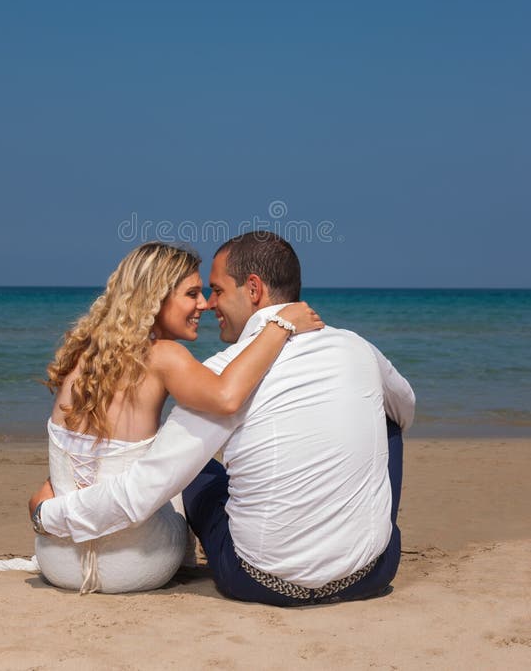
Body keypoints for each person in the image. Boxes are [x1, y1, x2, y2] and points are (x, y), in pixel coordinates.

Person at [32, 232, 415, 606]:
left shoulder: (201, 368)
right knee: (388, 423)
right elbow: (406, 407)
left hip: (261, 582)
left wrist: (47, 515)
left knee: (193, 471)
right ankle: (356, 538)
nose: (208, 304)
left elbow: (148, 482)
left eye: (214, 290)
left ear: (253, 289)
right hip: (373, 572)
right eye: (196, 293)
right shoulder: (357, 347)